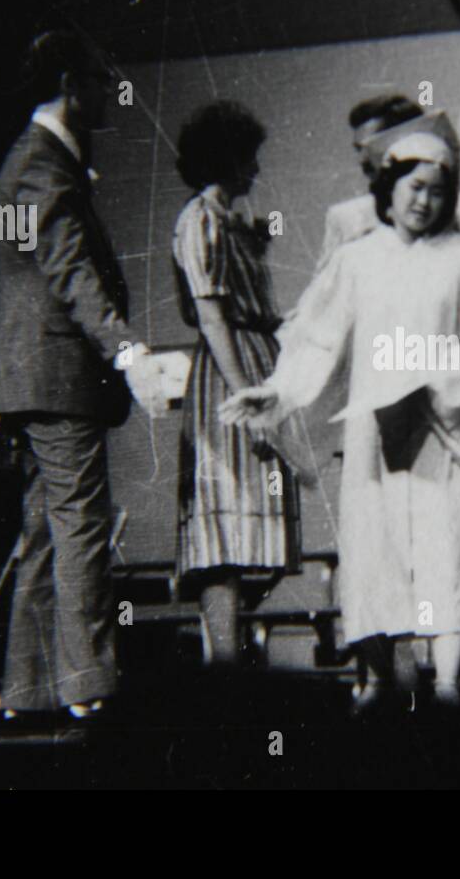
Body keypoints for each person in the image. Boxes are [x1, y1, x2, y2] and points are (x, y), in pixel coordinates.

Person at [221, 130, 460, 711]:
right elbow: (316, 336)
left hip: (440, 430)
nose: (424, 201)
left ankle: (448, 682)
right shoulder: (356, 260)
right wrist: (277, 392)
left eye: (437, 191)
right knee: (373, 550)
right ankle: (381, 678)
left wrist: (433, 390)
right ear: (388, 188)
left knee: (445, 546)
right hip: (370, 430)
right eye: (414, 187)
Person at [0, 31, 161, 727]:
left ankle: (28, 690)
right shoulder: (41, 164)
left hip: (41, 379)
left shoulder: (45, 161)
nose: (107, 93)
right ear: (68, 83)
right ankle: (88, 686)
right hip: (57, 376)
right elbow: (70, 272)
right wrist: (126, 349)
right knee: (81, 527)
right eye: (98, 79)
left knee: (44, 532)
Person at [171, 102, 300, 665]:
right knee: (224, 525)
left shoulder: (232, 223)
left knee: (266, 528)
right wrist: (244, 390)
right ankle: (222, 655)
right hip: (230, 371)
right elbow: (208, 315)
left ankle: (230, 642)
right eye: (249, 156)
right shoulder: (199, 219)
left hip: (260, 358)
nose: (256, 169)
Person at [320, 97, 460, 266]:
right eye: (359, 149)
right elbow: (328, 289)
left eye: (372, 146)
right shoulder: (347, 218)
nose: (363, 160)